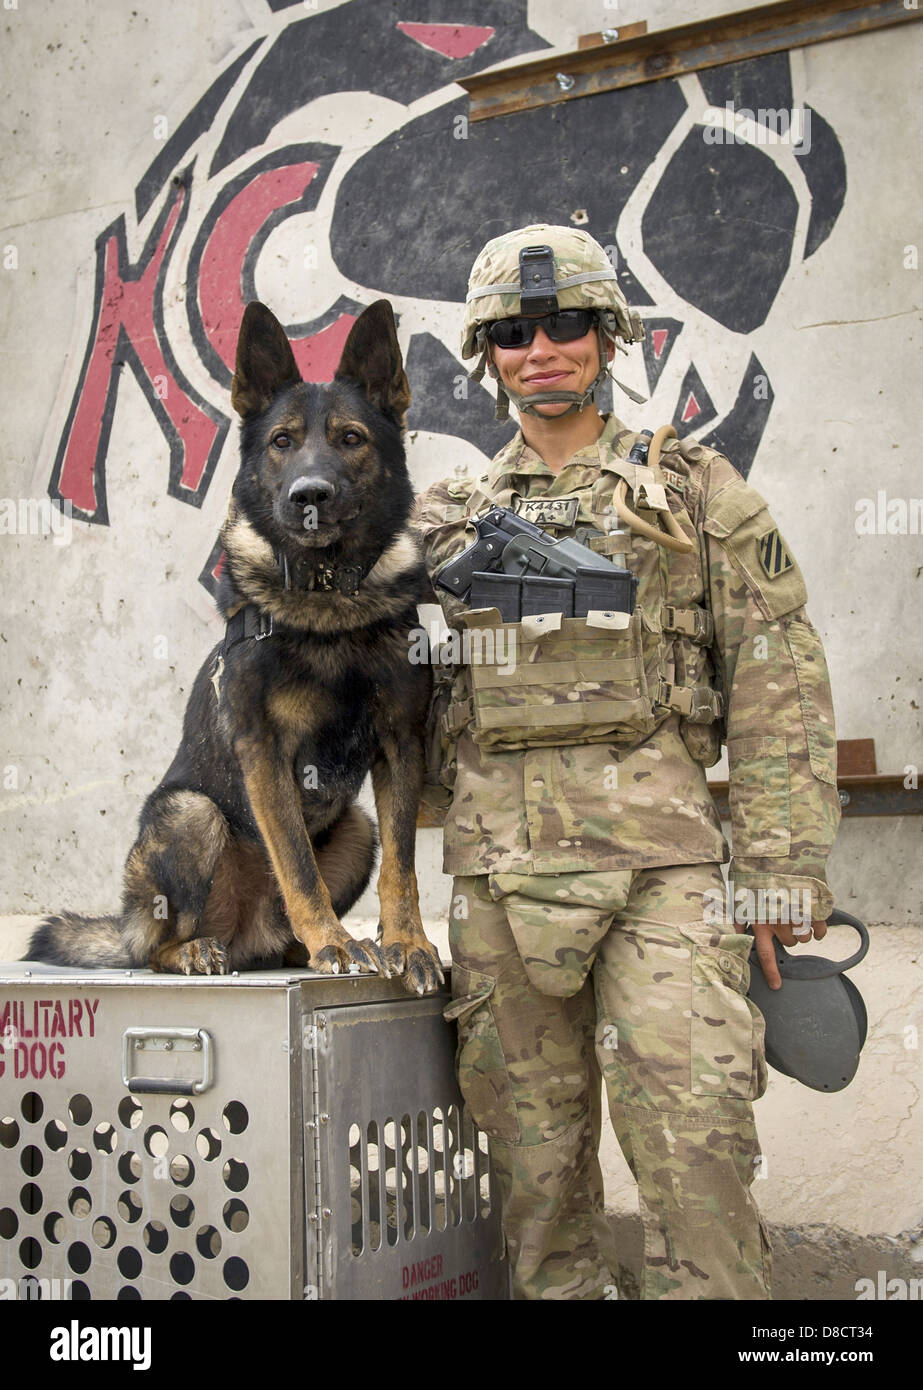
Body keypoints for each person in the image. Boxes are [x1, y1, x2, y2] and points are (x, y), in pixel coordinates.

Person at [412, 225, 840, 1300]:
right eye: (511, 332)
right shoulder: (447, 522)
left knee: (695, 1153)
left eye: (561, 325)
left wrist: (780, 871)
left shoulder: (695, 492)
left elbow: (775, 673)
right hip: (499, 884)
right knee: (531, 1180)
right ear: (486, 354)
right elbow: (375, 689)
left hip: (661, 875)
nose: (538, 348)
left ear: (605, 337)